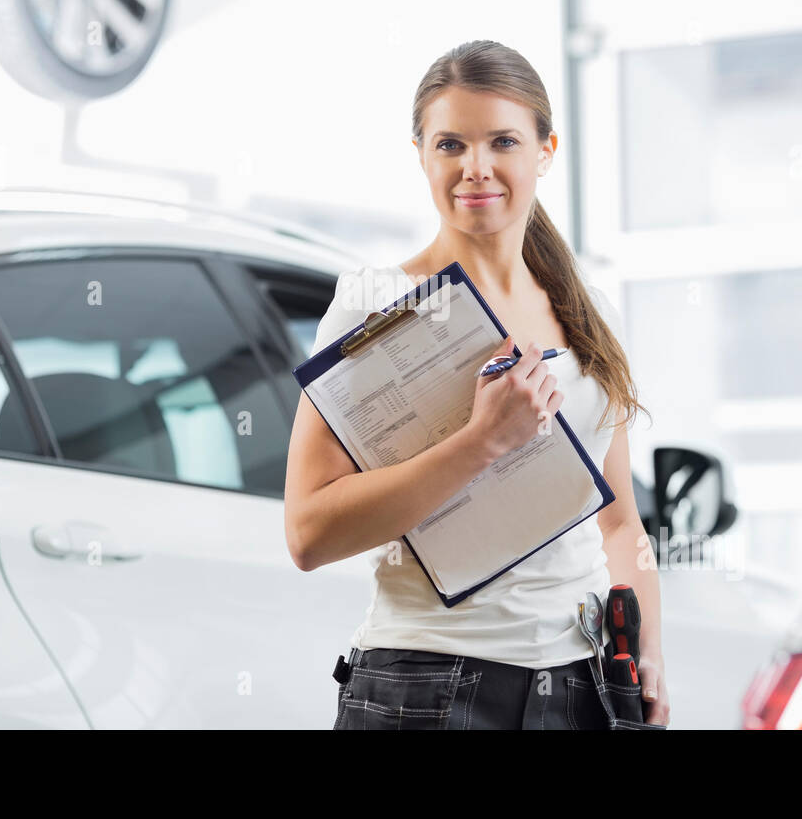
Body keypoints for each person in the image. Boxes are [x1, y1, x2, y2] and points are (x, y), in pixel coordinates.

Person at [284, 39, 670, 729]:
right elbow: (309, 533)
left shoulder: (589, 316)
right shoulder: (376, 303)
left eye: (502, 141)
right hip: (427, 686)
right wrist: (483, 442)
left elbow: (617, 521)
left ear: (546, 150)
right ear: (422, 154)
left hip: (582, 689)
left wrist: (647, 654)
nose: (476, 167)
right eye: (451, 144)